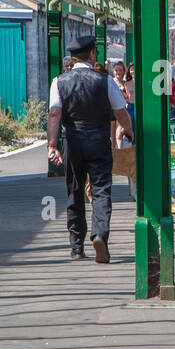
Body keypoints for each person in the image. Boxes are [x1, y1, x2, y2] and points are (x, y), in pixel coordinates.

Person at [47, 34, 133, 263]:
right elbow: (121, 112)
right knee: (101, 190)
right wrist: (130, 132)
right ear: (93, 54)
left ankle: (76, 246)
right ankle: (100, 235)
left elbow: (54, 114)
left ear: (72, 58)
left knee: (74, 191)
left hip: (72, 142)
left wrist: (52, 145)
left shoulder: (59, 81)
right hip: (98, 141)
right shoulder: (104, 81)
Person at [110, 61, 133, 148]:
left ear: (123, 72)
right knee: (113, 133)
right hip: (112, 110)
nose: (118, 72)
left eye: (120, 70)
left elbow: (128, 97)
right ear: (113, 71)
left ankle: (120, 150)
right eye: (116, 70)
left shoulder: (125, 83)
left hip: (122, 109)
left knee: (119, 132)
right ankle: (113, 148)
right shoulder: (111, 82)